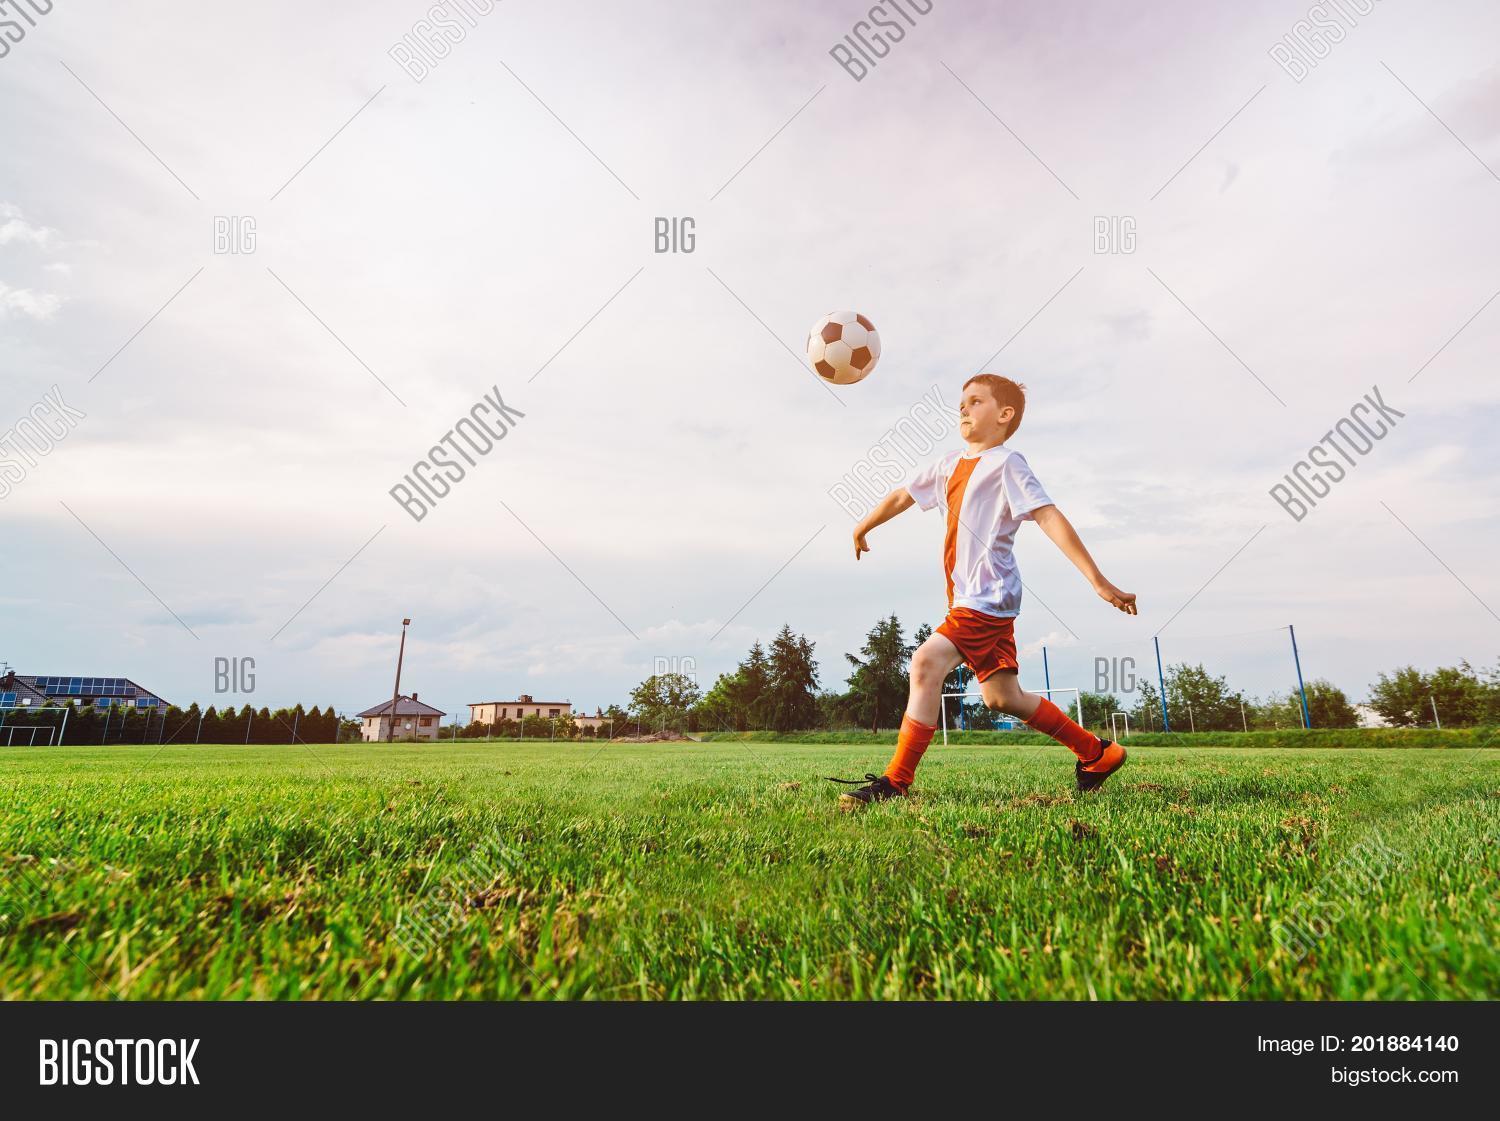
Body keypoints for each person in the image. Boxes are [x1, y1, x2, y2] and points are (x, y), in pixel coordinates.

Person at [832, 374, 1137, 810]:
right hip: (972, 600)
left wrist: (1097, 580)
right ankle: (1097, 753)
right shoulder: (947, 465)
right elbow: (903, 495)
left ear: (1004, 414)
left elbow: (1048, 516)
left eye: (976, 401)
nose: (964, 409)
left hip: (987, 598)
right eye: (962, 403)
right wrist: (863, 525)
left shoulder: (1007, 464)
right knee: (1002, 697)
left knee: (925, 662)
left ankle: (896, 782)